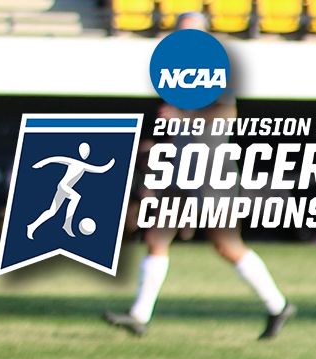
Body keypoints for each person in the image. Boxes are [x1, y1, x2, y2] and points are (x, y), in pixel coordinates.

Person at [102, 16, 295, 341]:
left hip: (210, 171)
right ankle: (139, 316)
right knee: (156, 239)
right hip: (181, 169)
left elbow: (224, 116)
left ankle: (278, 305)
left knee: (226, 245)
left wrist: (183, 115)